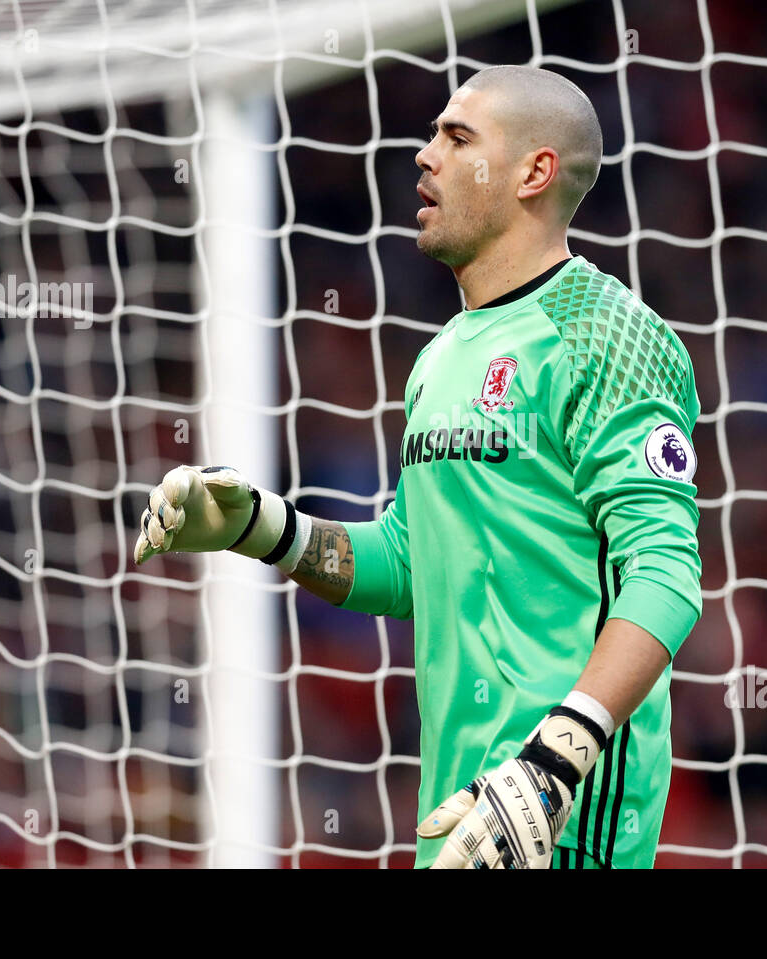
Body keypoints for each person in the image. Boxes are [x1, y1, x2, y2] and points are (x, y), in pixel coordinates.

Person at [134, 65, 702, 869]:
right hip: (460, 811)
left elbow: (666, 573)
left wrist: (553, 762)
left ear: (534, 172)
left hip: (561, 815)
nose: (424, 155)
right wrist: (262, 526)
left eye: (457, 136)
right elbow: (408, 562)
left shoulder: (608, 334)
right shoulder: (440, 357)